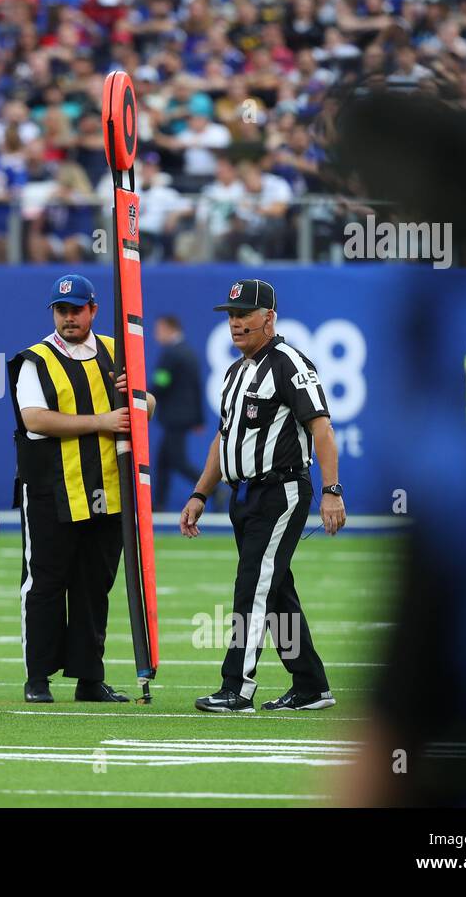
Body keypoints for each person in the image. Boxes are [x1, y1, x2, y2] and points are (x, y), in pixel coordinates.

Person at [181, 278, 346, 713]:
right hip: (244, 495)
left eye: (245, 315)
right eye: (232, 315)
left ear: (269, 318)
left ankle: (237, 687)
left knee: (253, 586)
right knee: (276, 591)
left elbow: (322, 429)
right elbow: (224, 438)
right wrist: (200, 492)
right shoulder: (236, 371)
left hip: (281, 490)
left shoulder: (289, 363)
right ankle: (311, 685)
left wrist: (331, 491)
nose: (235, 324)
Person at [6, 274, 155, 703]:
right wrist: (102, 421)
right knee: (45, 583)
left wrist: (137, 396)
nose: (68, 318)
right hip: (52, 487)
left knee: (95, 584)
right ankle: (38, 677)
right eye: (61, 310)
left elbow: (148, 408)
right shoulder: (35, 359)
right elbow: (34, 419)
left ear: (93, 309)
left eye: (76, 309)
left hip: (109, 485)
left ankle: (90, 677)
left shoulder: (116, 351)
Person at [150, 314, 205, 511]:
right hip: (185, 417)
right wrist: (199, 418)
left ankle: (211, 489)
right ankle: (158, 505)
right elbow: (198, 387)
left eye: (159, 330)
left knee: (178, 461)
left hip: (174, 417)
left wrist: (141, 397)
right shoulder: (189, 352)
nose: (156, 334)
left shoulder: (170, 354)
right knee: (163, 461)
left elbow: (161, 383)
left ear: (169, 328)